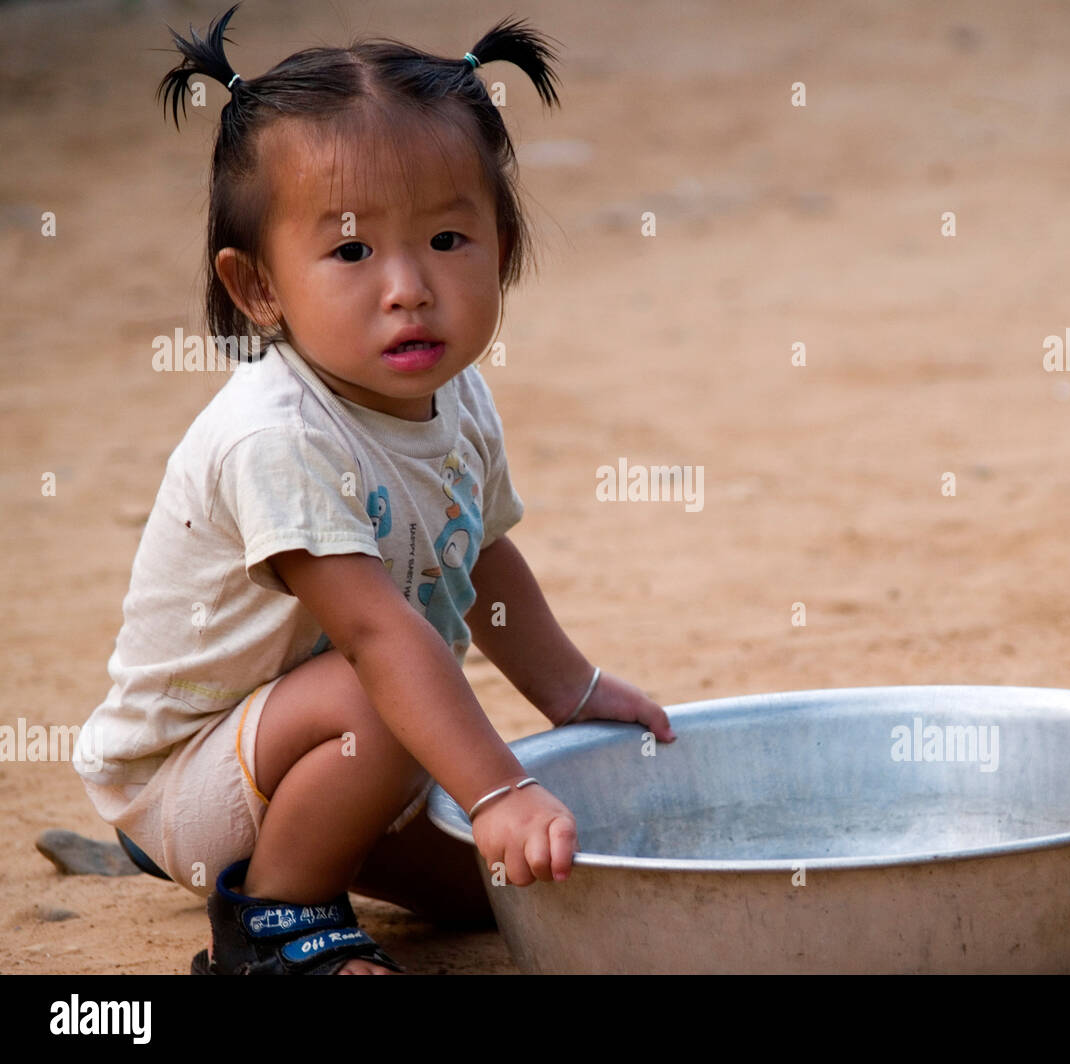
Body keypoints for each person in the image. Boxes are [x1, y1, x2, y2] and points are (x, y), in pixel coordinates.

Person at [72, 3, 675, 975]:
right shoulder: (279, 434)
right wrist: (497, 791)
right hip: (193, 773)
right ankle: (273, 922)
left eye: (447, 238)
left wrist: (573, 689)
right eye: (351, 252)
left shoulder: (456, 395)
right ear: (258, 287)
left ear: (504, 244)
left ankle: (329, 853)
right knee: (386, 694)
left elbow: (478, 553)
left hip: (354, 745)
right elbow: (376, 636)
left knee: (511, 892)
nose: (408, 286)